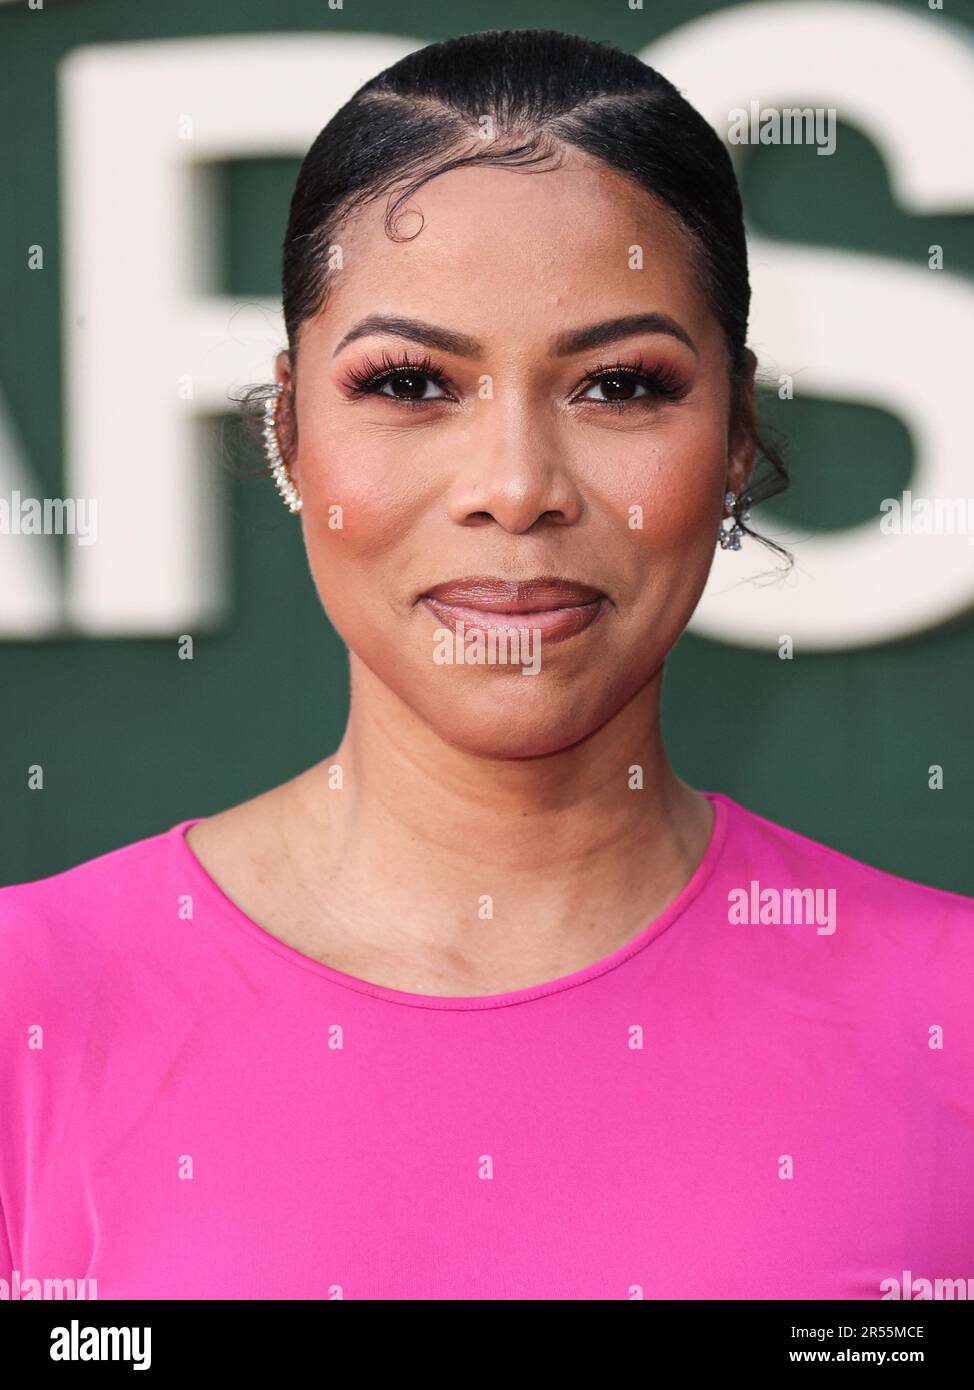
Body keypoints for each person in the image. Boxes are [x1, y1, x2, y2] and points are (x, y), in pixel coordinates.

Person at [1, 29, 971, 1302]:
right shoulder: (35, 1001)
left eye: (618, 385)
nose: (514, 487)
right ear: (287, 424)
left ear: (736, 434)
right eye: (410, 381)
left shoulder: (942, 1013)